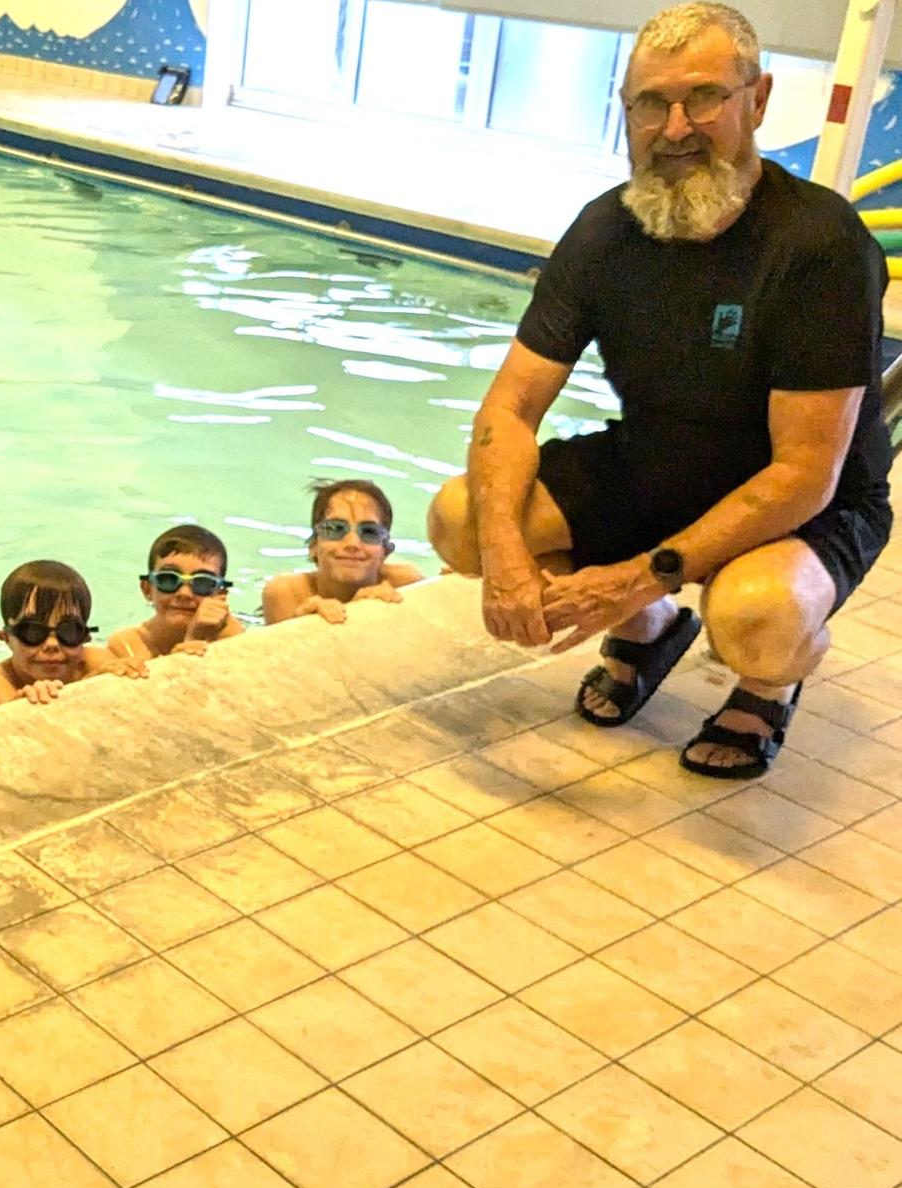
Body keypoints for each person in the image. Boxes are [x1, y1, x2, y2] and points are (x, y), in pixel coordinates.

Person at [429, 2, 891, 780]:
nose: (675, 128)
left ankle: (768, 686)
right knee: (461, 518)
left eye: (703, 97)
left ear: (757, 99)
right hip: (656, 462)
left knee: (756, 615)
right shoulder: (604, 232)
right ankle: (650, 629)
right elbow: (509, 407)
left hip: (808, 504)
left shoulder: (819, 246)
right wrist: (505, 554)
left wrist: (637, 575)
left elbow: (804, 473)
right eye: (651, 104)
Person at [0, 560, 146, 706]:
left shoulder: (93, 662)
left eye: (68, 631)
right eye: (33, 631)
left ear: (85, 638)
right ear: (6, 638)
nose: (52, 644)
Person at [263, 480, 425, 624]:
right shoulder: (288, 593)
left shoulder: (405, 586)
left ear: (385, 552)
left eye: (369, 532)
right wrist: (305, 625)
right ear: (313, 547)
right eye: (335, 529)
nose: (352, 543)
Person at [108, 523, 246, 660]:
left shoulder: (232, 637)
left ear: (221, 595)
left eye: (202, 583)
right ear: (147, 589)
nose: (184, 593)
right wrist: (191, 642)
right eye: (168, 579)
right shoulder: (129, 644)